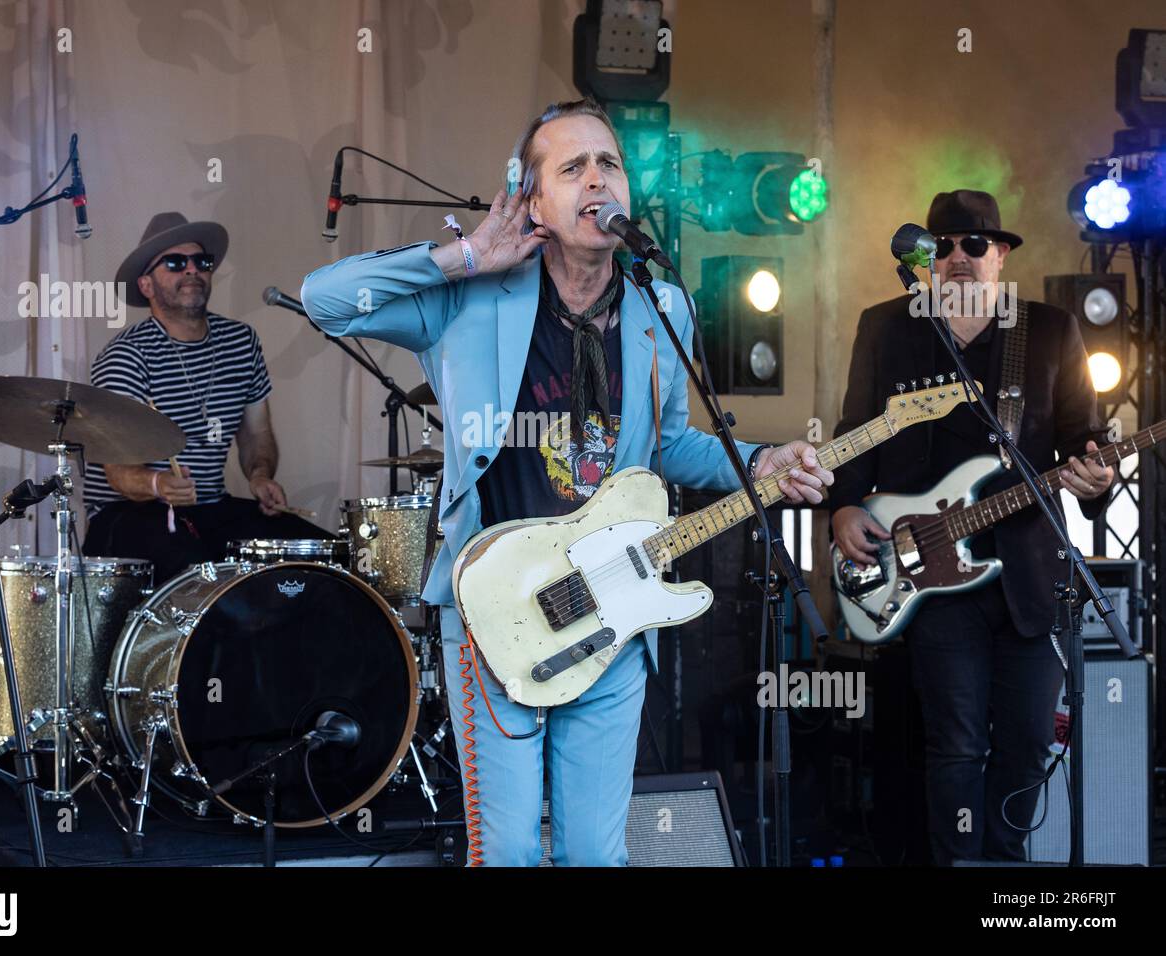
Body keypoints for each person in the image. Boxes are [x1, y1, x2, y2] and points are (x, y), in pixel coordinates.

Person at [301, 98, 833, 865]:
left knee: (595, 854)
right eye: (572, 167)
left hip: (613, 607)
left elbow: (673, 446)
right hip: (497, 609)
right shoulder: (469, 298)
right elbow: (326, 299)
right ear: (531, 198)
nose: (597, 180)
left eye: (609, 164)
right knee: (510, 853)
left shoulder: (663, 307)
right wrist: (463, 257)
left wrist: (756, 462)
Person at [829, 189, 1113, 864]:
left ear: (1001, 255)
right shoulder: (887, 326)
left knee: (1027, 745)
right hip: (931, 581)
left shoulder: (1048, 331)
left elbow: (1085, 442)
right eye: (942, 247)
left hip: (1027, 577)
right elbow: (854, 435)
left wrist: (1097, 482)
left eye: (974, 245)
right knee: (955, 745)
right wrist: (841, 506)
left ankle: (1006, 874)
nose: (957, 258)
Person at [82, 212, 328, 583]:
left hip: (210, 508)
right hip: (129, 514)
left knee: (322, 558)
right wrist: (157, 484)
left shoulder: (240, 342)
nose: (192, 270)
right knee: (201, 577)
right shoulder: (127, 355)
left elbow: (256, 434)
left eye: (202, 261)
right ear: (146, 285)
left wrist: (260, 475)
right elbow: (117, 471)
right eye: (176, 262)